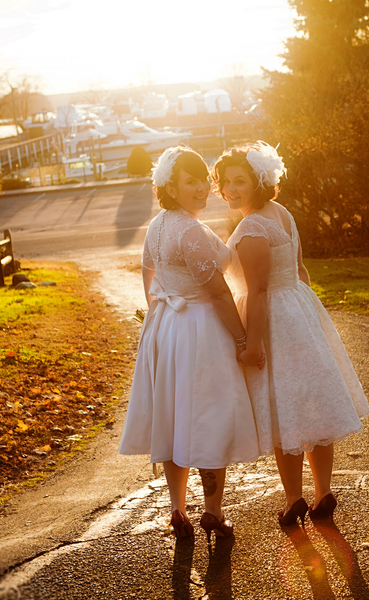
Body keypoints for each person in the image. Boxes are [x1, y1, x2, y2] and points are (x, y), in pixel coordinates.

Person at [212, 142, 369, 525]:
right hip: (299, 310)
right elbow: (301, 271)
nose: (230, 189)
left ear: (260, 180)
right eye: (225, 182)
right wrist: (309, 317)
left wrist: (252, 342)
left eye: (240, 181)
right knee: (312, 405)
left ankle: (294, 499)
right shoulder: (281, 213)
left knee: (286, 411)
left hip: (273, 321)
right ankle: (323, 493)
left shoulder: (251, 228)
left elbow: (259, 291)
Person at [118, 146, 262, 541]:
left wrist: (158, 316)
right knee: (207, 415)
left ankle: (177, 510)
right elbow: (218, 294)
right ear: (170, 186)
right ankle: (212, 512)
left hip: (167, 327)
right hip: (200, 329)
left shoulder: (157, 226)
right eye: (190, 182)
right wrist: (242, 337)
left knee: (174, 414)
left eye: (202, 179)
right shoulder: (192, 232)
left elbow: (148, 277)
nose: (201, 188)